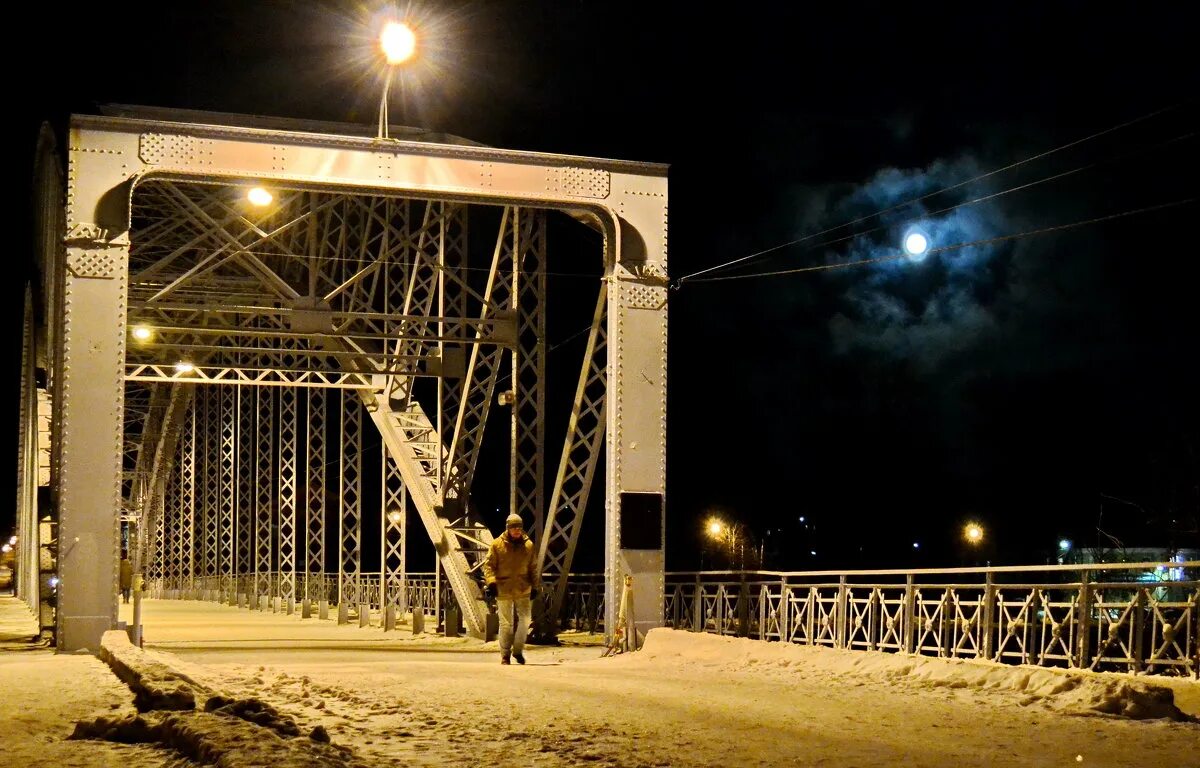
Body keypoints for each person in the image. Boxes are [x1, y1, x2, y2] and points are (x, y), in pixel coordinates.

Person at [482, 512, 539, 664]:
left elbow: (533, 567)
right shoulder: (496, 545)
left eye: (519, 527)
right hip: (503, 588)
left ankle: (518, 651)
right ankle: (505, 654)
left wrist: (535, 586)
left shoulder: (528, 545)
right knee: (506, 623)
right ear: (508, 528)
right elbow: (488, 566)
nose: (517, 530)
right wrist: (492, 582)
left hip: (523, 587)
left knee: (526, 620)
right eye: (514, 527)